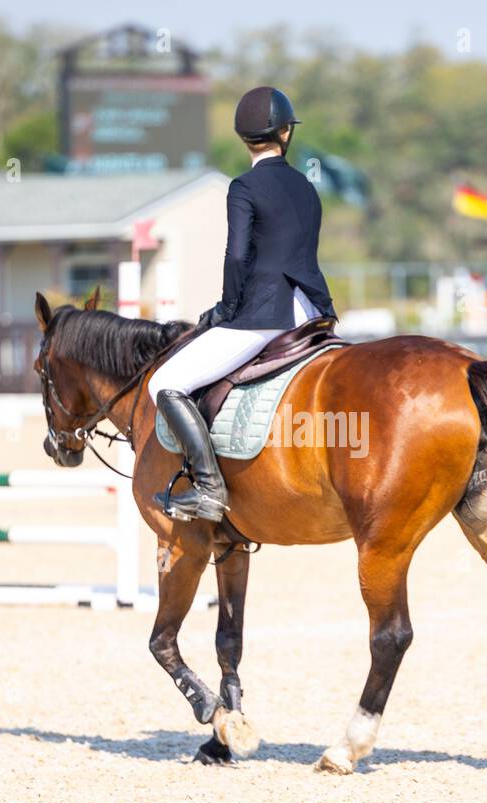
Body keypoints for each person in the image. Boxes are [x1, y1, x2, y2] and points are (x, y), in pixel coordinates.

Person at [147, 86, 336, 522]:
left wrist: (227, 310)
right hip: (313, 312)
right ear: (285, 133)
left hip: (265, 315)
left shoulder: (244, 187)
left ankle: (209, 490)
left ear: (243, 137)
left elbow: (237, 257)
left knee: (165, 383)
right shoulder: (307, 187)